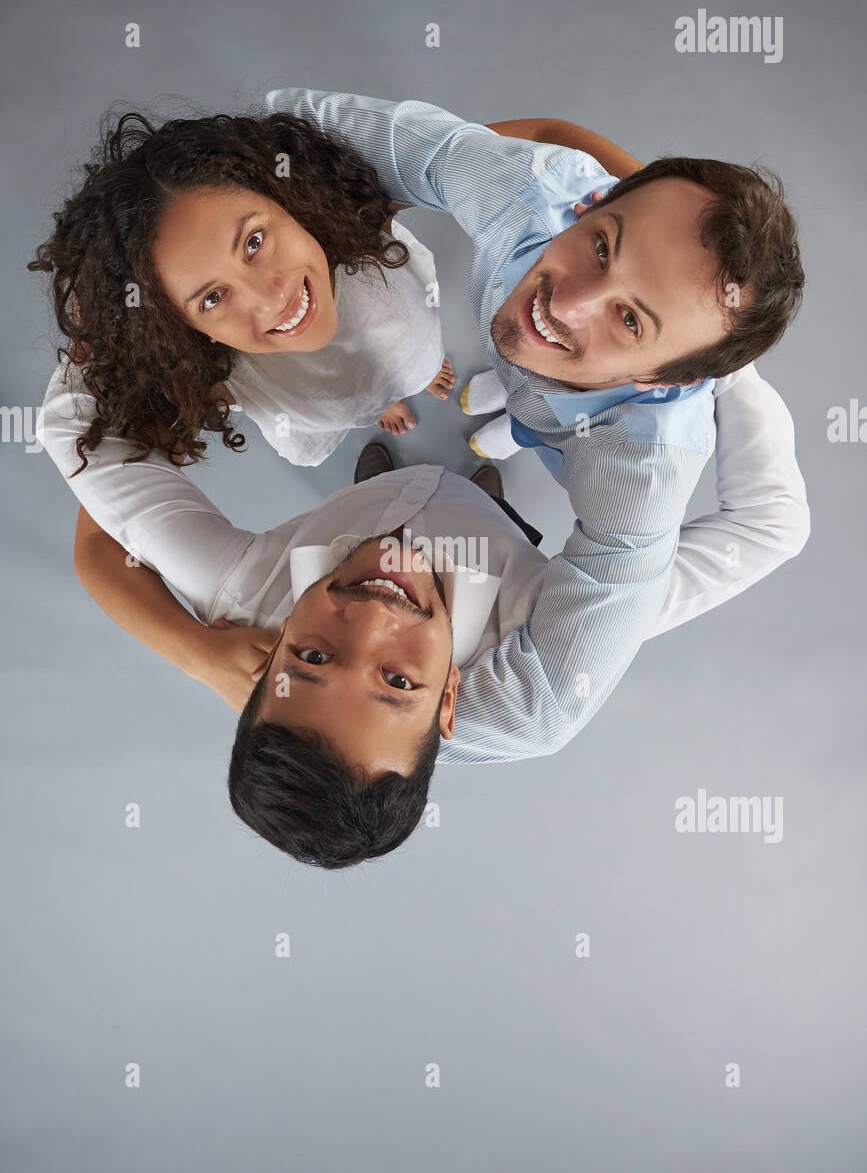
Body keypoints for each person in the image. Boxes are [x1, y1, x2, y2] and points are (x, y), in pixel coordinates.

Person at [38, 346, 808, 869]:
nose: (373, 618)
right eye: (397, 682)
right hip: (507, 565)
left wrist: (192, 649)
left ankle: (383, 480)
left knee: (379, 483)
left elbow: (95, 516)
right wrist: (720, 355)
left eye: (311, 657)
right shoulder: (542, 668)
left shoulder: (243, 595)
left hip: (364, 509)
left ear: (266, 655)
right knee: (486, 506)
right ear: (450, 703)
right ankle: (484, 497)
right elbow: (770, 525)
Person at [268, 89, 804, 472]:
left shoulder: (650, 457)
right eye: (601, 247)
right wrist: (379, 204)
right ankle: (512, 381)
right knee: (532, 355)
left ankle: (517, 432)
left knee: (540, 421)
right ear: (591, 206)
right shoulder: (542, 190)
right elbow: (291, 122)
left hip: (571, 416)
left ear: (665, 379)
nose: (566, 304)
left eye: (630, 319)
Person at [28, 105, 456, 479]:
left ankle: (404, 383)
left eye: (253, 242)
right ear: (180, 329)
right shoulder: (215, 379)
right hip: (331, 403)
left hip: (409, 338)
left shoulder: (360, 216)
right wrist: (105, 331)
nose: (272, 300)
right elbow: (114, 458)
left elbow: (487, 162)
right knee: (363, 395)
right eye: (211, 298)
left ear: (285, 198)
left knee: (411, 362)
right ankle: (381, 401)